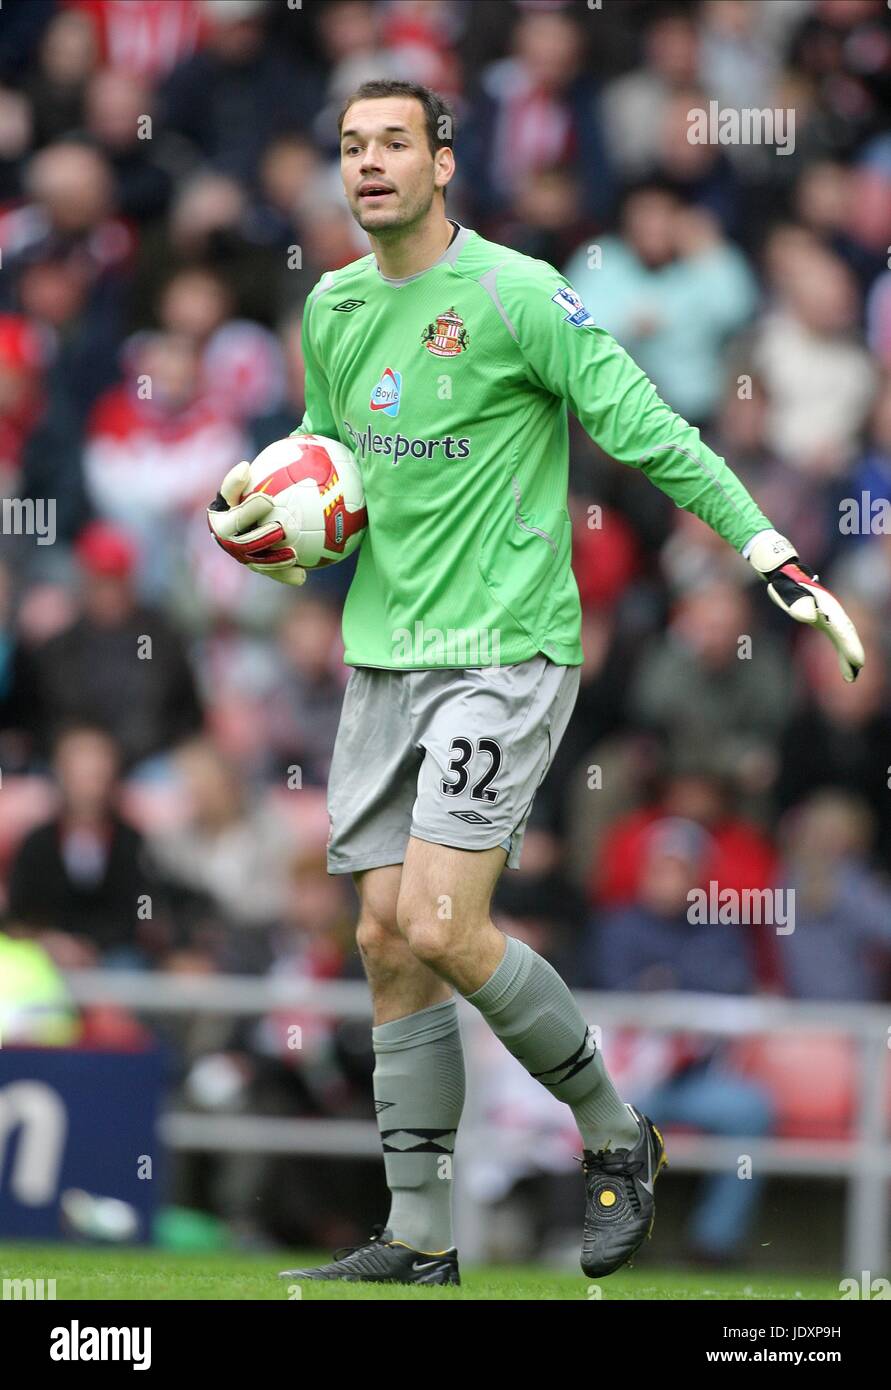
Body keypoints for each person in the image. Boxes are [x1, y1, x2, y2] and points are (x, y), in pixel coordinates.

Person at [206, 79, 865, 1286]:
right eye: (352, 148)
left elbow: (650, 425)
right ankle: (419, 1235)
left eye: (395, 144)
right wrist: (271, 519)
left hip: (505, 652)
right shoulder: (336, 305)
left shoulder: (516, 294)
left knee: (445, 924)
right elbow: (332, 473)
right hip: (381, 656)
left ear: (444, 163)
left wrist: (768, 548)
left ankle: (618, 1132)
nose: (370, 166)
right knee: (384, 937)